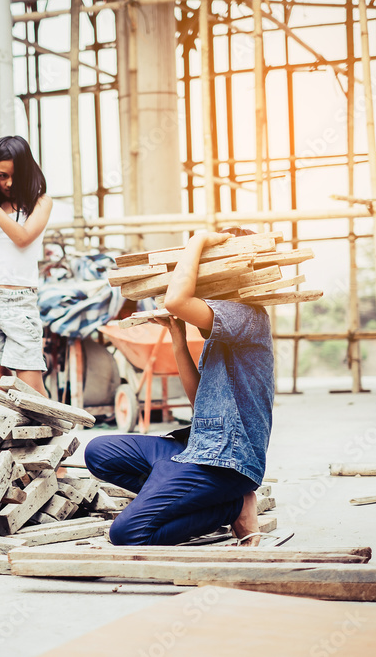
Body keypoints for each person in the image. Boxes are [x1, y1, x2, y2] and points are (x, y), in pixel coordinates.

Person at [84, 228, 273, 546]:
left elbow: (176, 299)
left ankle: (232, 505)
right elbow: (201, 402)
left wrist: (197, 240)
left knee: (126, 534)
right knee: (97, 453)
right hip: (195, 448)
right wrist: (177, 337)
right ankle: (179, 492)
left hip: (223, 463)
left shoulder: (247, 317)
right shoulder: (222, 331)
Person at [0, 135, 53, 396]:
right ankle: (14, 439)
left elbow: (23, 238)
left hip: (19, 302)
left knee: (30, 390)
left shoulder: (41, 202)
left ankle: (55, 434)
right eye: (2, 176)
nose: (9, 183)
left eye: (15, 175)